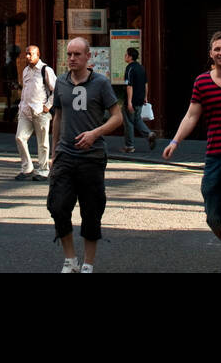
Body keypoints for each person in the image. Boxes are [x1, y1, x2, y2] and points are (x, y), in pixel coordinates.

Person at [163, 31, 221, 273]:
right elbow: (192, 114)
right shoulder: (202, 82)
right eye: (217, 49)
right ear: (211, 54)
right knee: (213, 216)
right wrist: (175, 141)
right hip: (214, 157)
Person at [48, 37, 123, 273]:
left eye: (77, 54)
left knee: (91, 212)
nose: (71, 59)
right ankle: (70, 260)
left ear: (88, 57)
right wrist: (53, 153)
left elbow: (117, 117)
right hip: (65, 155)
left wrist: (95, 133)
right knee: (58, 206)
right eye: (69, 54)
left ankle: (88, 263)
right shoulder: (60, 82)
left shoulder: (100, 83)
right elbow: (58, 118)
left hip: (92, 157)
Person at [16, 45, 55, 180]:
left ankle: (44, 170)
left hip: (40, 111)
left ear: (38, 55)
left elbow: (56, 89)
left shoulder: (45, 70)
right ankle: (27, 168)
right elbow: (25, 90)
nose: (27, 56)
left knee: (43, 142)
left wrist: (48, 106)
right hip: (26, 110)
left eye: (30, 54)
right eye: (26, 54)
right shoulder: (25, 71)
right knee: (20, 137)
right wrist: (21, 106)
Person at [122, 47, 156, 152]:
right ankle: (149, 134)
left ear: (130, 56)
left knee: (128, 123)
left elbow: (129, 86)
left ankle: (129, 146)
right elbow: (146, 84)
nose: (125, 56)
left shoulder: (129, 68)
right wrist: (145, 97)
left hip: (131, 100)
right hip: (140, 99)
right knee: (137, 119)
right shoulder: (141, 68)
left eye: (126, 54)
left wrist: (129, 102)